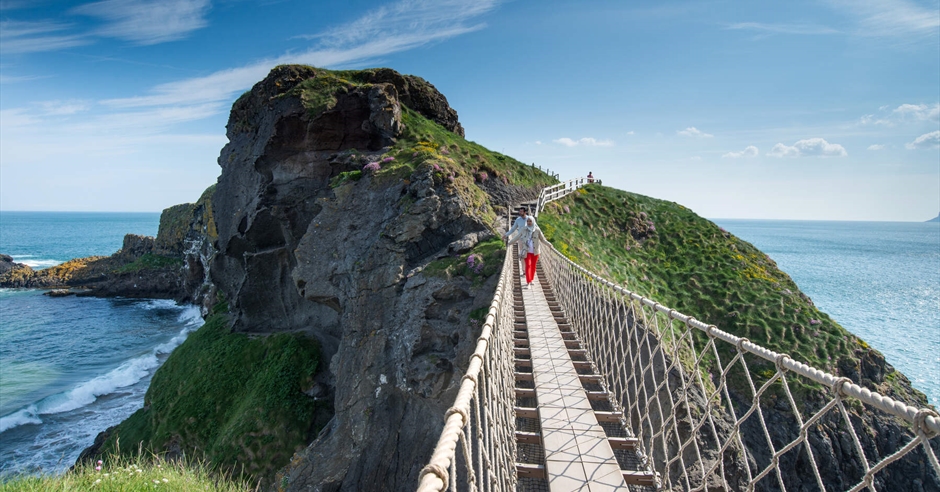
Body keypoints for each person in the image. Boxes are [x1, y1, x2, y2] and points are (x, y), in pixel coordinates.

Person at [509, 216, 542, 287]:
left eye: (530, 221)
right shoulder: (524, 229)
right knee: (528, 265)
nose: (529, 222)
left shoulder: (537, 230)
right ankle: (528, 282)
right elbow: (517, 236)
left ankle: (531, 279)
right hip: (527, 251)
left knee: (533, 266)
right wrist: (510, 242)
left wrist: (549, 245)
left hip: (535, 252)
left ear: (533, 221)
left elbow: (543, 239)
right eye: (528, 221)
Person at [503, 207, 529, 277]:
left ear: (524, 212)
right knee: (523, 255)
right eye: (519, 211)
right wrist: (506, 235)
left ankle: (528, 270)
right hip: (520, 239)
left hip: (529, 240)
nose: (520, 213)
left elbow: (535, 228)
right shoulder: (518, 220)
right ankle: (524, 271)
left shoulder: (529, 219)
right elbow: (513, 229)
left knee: (528, 256)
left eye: (521, 212)